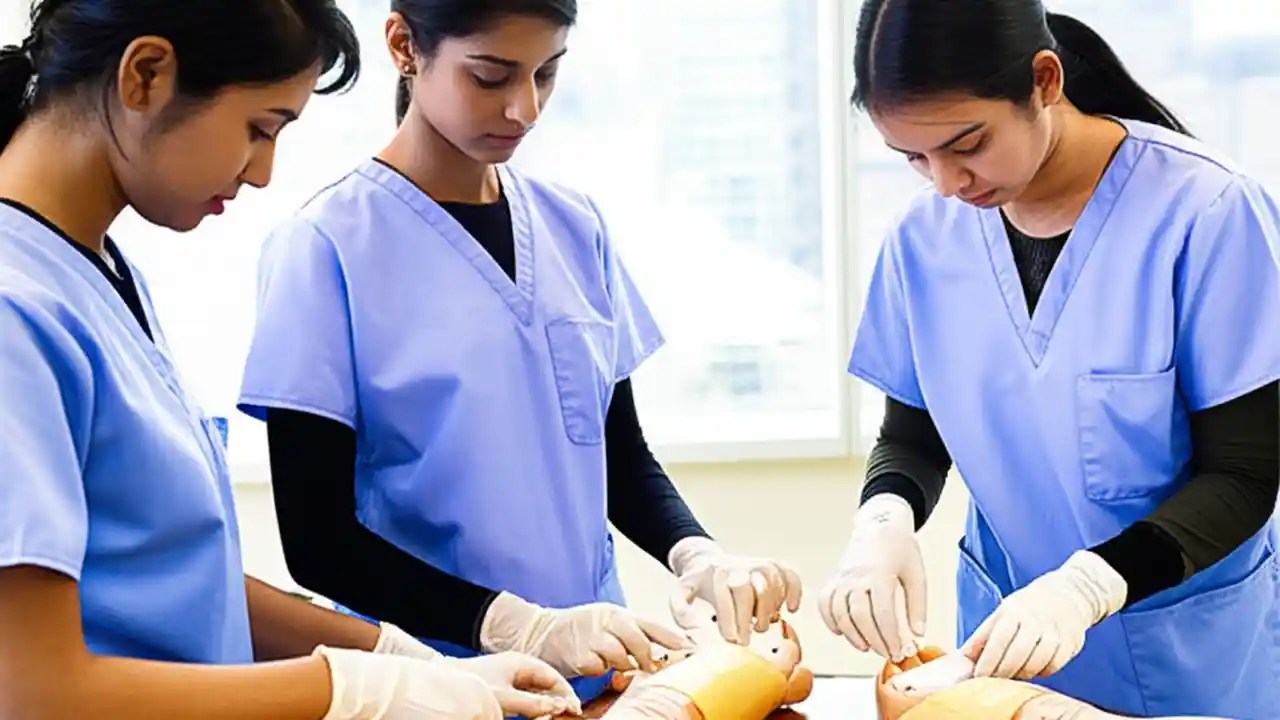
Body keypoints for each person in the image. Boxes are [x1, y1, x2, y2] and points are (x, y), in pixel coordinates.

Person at [0, 2, 581, 718]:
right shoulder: (14, 308)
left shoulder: (94, 271)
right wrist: (355, 690)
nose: (263, 172)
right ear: (145, 75)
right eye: (259, 128)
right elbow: (33, 690)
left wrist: (394, 656)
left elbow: (176, 578)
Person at [235, 0, 803, 705]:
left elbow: (618, 459)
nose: (524, 109)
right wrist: (513, 627)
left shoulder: (575, 226)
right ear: (405, 45)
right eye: (491, 76)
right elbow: (317, 542)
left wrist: (698, 555)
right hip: (436, 688)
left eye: (546, 74)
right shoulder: (326, 249)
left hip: (600, 685)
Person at [817, 1, 1280, 718]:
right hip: (1001, 656)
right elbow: (912, 434)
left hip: (1186, 655)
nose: (947, 185)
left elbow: (1246, 473)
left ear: (1043, 81)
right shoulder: (923, 238)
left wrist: (1089, 586)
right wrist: (883, 523)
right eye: (915, 158)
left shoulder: (1208, 215)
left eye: (968, 145)